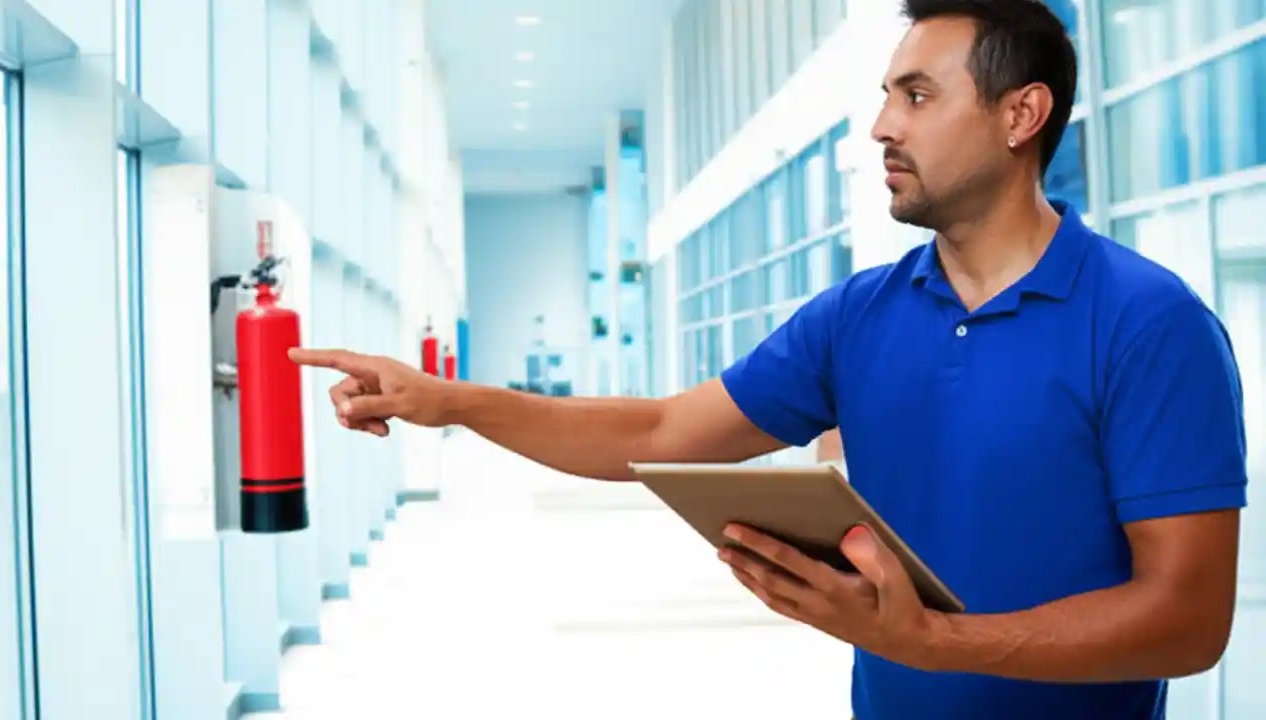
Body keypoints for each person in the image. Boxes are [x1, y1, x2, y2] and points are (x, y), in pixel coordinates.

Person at [290, 0, 1248, 717]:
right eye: (885, 96)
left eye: (918, 96)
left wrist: (934, 642)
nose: (883, 126)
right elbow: (664, 430)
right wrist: (452, 401)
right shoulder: (856, 317)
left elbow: (1189, 621)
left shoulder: (1147, 325)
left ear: (1020, 114)